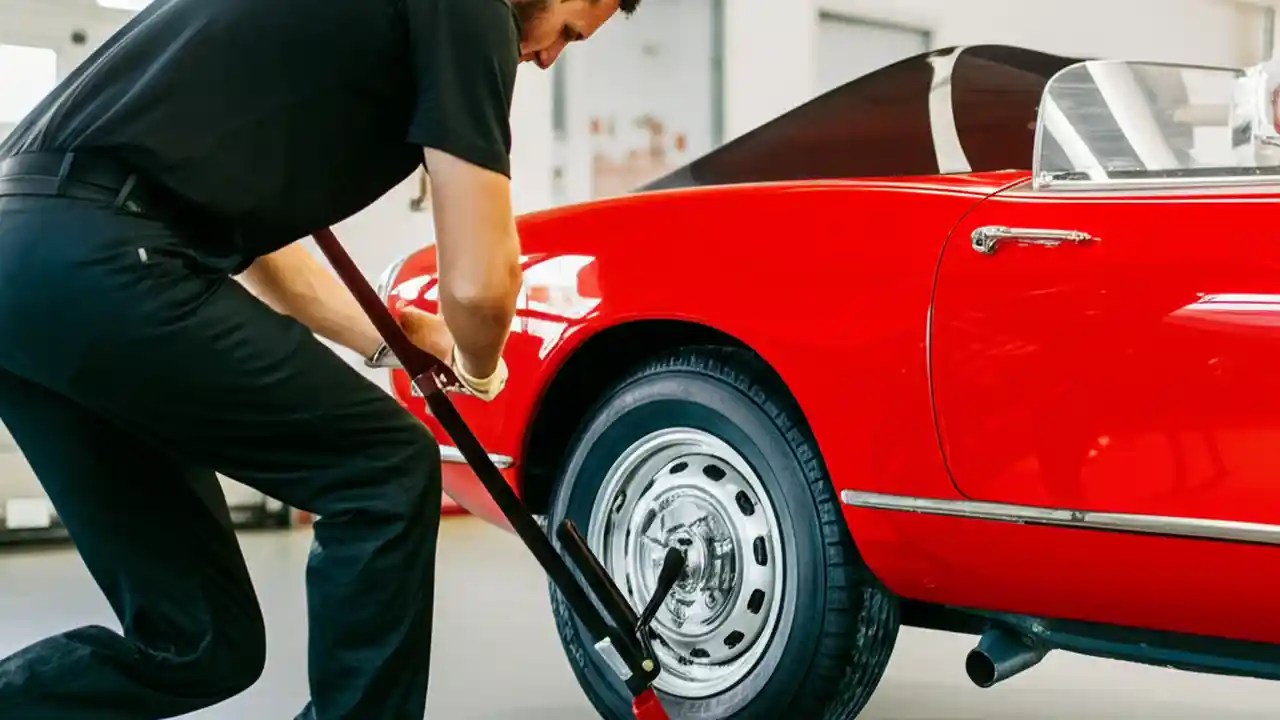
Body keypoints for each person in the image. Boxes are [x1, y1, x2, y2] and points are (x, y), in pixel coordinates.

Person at [0, 0, 637, 717]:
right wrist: (484, 367)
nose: (551, 56)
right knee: (383, 468)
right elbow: (482, 283)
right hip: (104, 258)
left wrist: (392, 338)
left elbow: (264, 254)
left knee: (199, 642)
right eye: (571, 33)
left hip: (25, 267)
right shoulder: (473, 11)